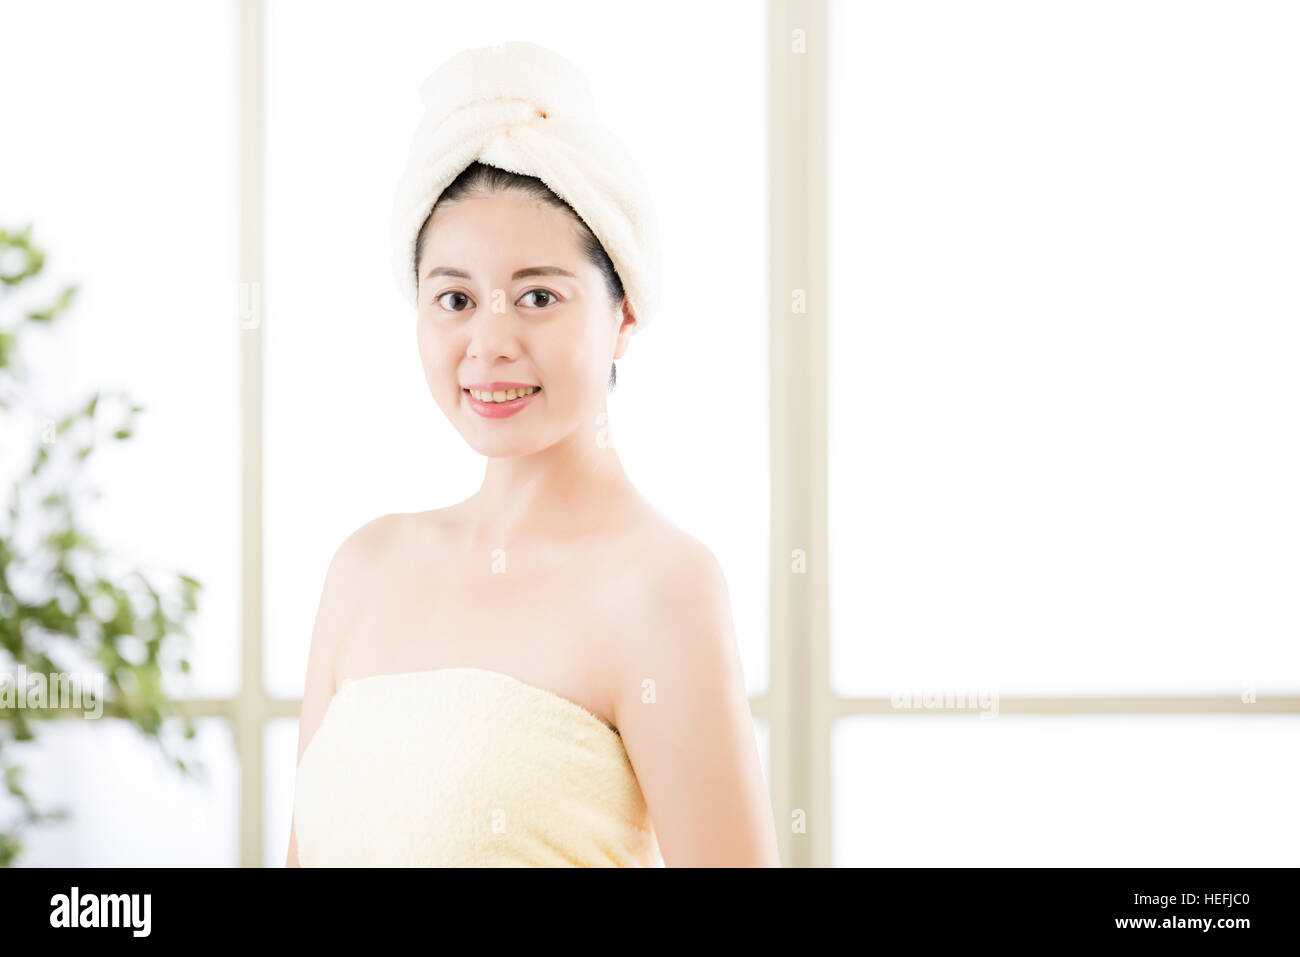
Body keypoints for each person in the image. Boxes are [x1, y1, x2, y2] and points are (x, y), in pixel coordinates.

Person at [286, 41, 779, 867]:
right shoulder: (364, 568)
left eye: (538, 296)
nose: (490, 343)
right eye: (455, 298)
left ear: (623, 311)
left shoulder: (662, 586)